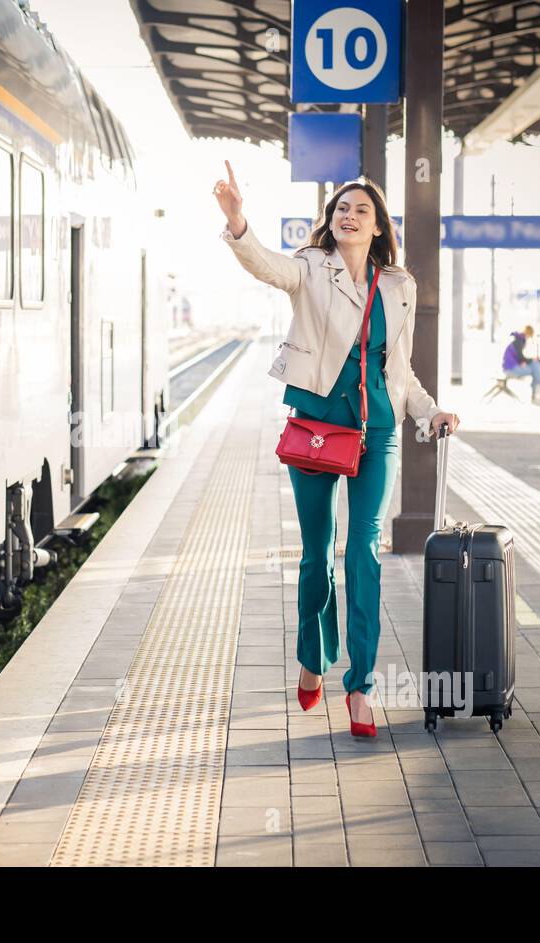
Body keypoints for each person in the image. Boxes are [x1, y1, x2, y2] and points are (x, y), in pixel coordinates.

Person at [213, 163, 459, 735]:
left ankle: (361, 688)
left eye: (360, 210)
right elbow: (265, 265)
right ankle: (312, 655)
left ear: (378, 227)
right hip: (319, 429)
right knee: (316, 552)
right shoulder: (308, 268)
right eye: (341, 209)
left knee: (363, 553)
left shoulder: (398, 286)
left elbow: (400, 371)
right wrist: (238, 222)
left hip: (378, 434)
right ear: (331, 221)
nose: (348, 216)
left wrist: (431, 412)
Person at [502, 325, 540, 405]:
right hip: (511, 369)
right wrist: (530, 360)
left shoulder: (519, 339)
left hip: (511, 366)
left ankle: (539, 392)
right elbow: (520, 357)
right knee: (535, 367)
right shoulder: (519, 341)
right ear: (529, 334)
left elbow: (520, 357)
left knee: (535, 367)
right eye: (530, 336)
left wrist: (528, 361)